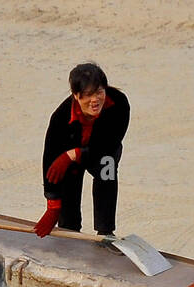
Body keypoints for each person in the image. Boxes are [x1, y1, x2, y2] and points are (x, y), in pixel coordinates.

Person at [34, 63, 130, 239]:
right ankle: (69, 231)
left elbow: (109, 144)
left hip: (101, 153)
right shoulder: (60, 117)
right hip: (71, 161)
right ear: (76, 95)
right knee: (68, 190)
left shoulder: (119, 104)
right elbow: (50, 160)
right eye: (88, 95)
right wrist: (52, 204)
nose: (95, 100)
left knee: (107, 167)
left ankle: (105, 232)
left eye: (99, 92)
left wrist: (74, 153)